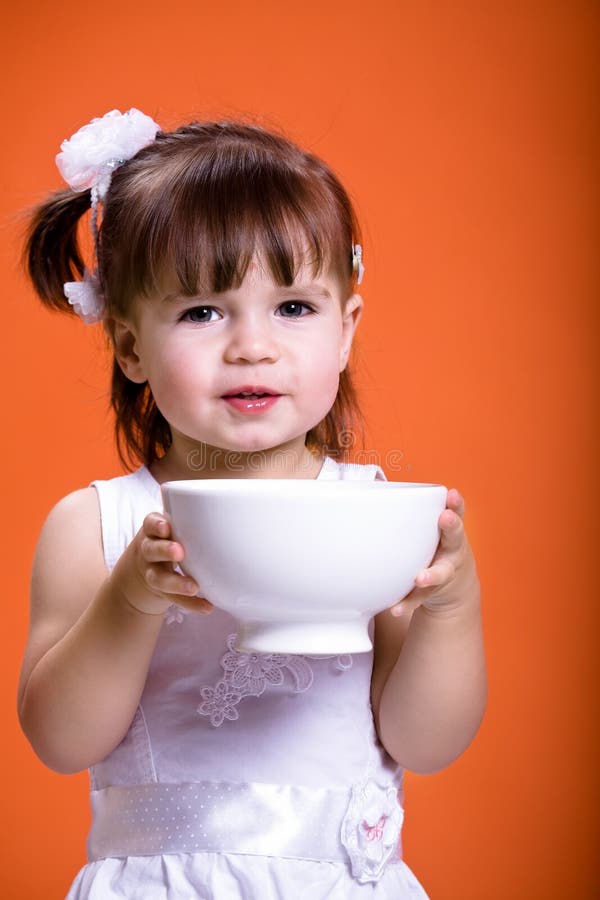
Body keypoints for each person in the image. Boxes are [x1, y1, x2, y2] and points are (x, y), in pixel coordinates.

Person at [18, 108, 486, 899]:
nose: (252, 345)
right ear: (129, 345)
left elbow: (427, 742)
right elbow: (61, 741)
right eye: (202, 312)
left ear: (345, 330)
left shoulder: (373, 516)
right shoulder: (99, 524)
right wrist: (130, 598)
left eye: (293, 307)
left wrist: (452, 609)